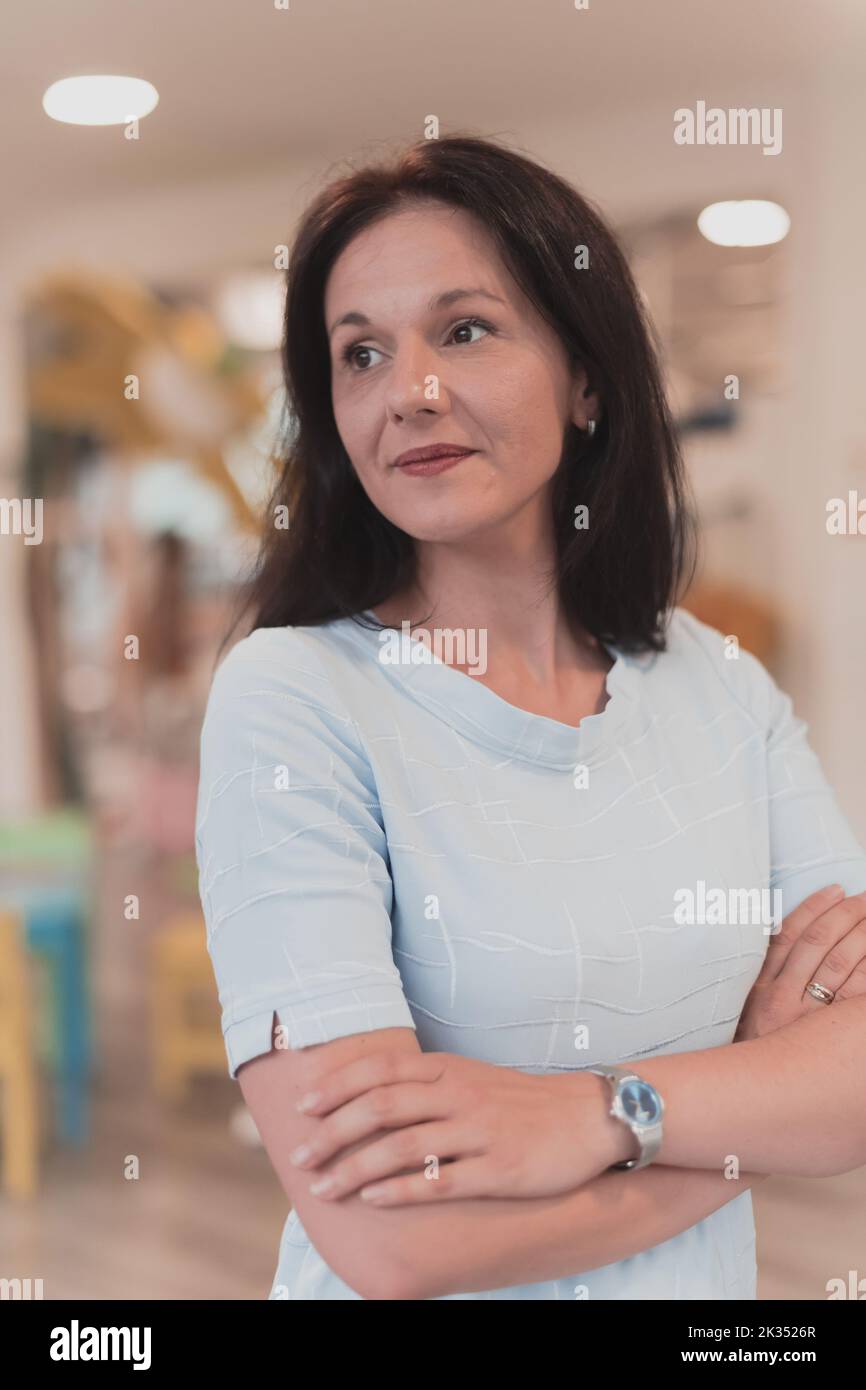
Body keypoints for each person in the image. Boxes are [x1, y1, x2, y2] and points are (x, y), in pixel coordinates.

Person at [194, 133, 866, 1300]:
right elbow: (391, 1242)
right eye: (359, 354)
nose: (409, 392)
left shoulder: (721, 687)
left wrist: (591, 1115)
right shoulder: (294, 700)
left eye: (463, 329)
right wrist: (751, 1103)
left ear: (586, 377)